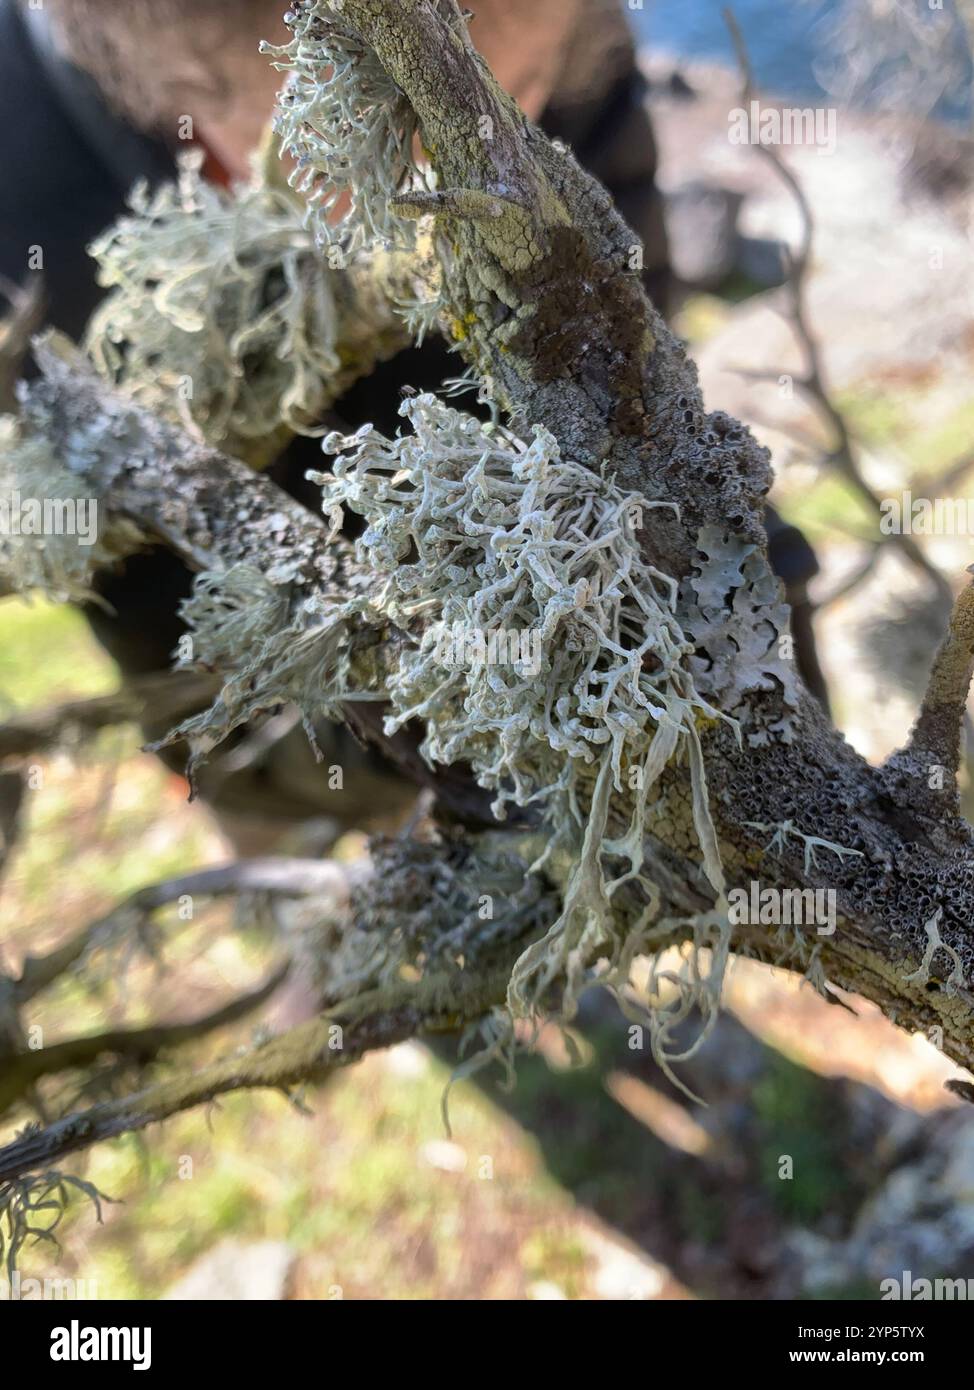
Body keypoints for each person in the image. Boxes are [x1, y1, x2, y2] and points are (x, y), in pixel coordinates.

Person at [0, 0, 821, 849]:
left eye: (518, 92)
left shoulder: (556, 38)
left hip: (509, 601)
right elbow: (137, 590)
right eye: (376, 143)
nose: (460, 184)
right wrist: (306, 762)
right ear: (182, 92)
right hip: (257, 688)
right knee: (321, 894)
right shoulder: (27, 195)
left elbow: (621, 318)